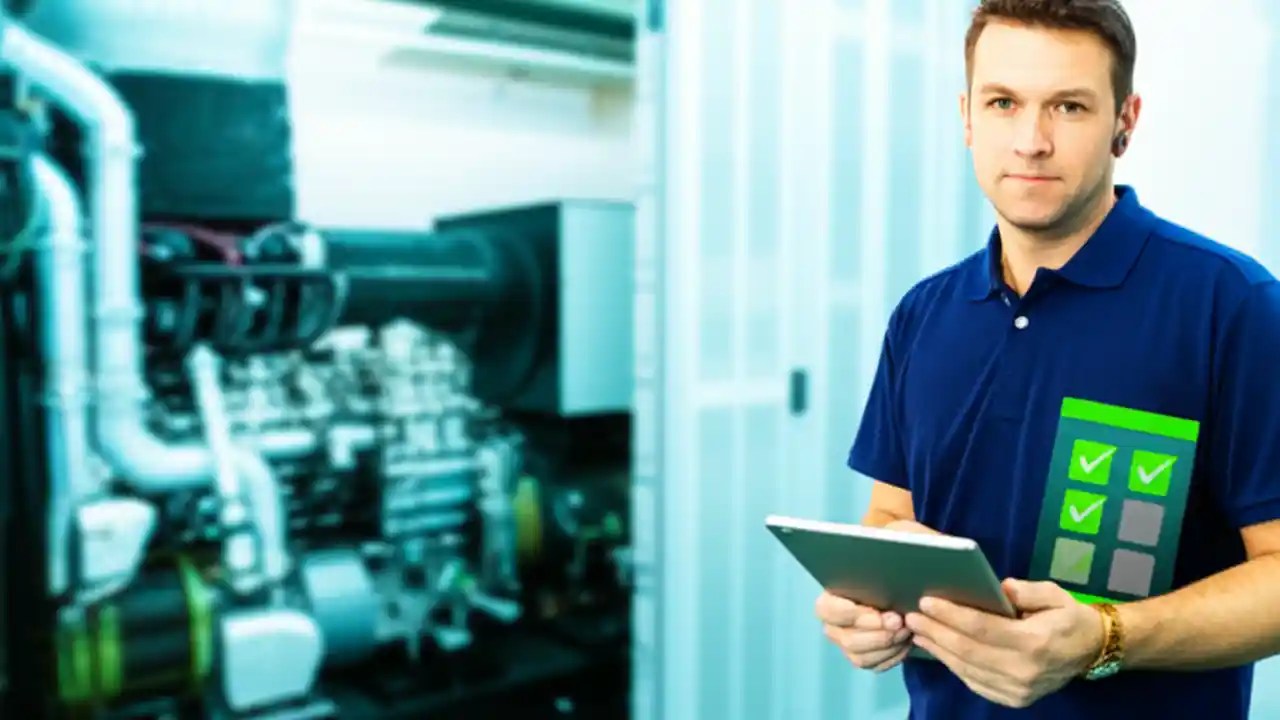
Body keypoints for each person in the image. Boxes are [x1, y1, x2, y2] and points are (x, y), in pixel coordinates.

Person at [815, 0, 1280, 718]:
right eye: (1003, 103)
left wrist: (1106, 637)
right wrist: (869, 605)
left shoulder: (1232, 306)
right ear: (967, 116)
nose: (1031, 140)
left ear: (1125, 121)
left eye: (1068, 106)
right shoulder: (924, 315)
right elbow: (890, 515)